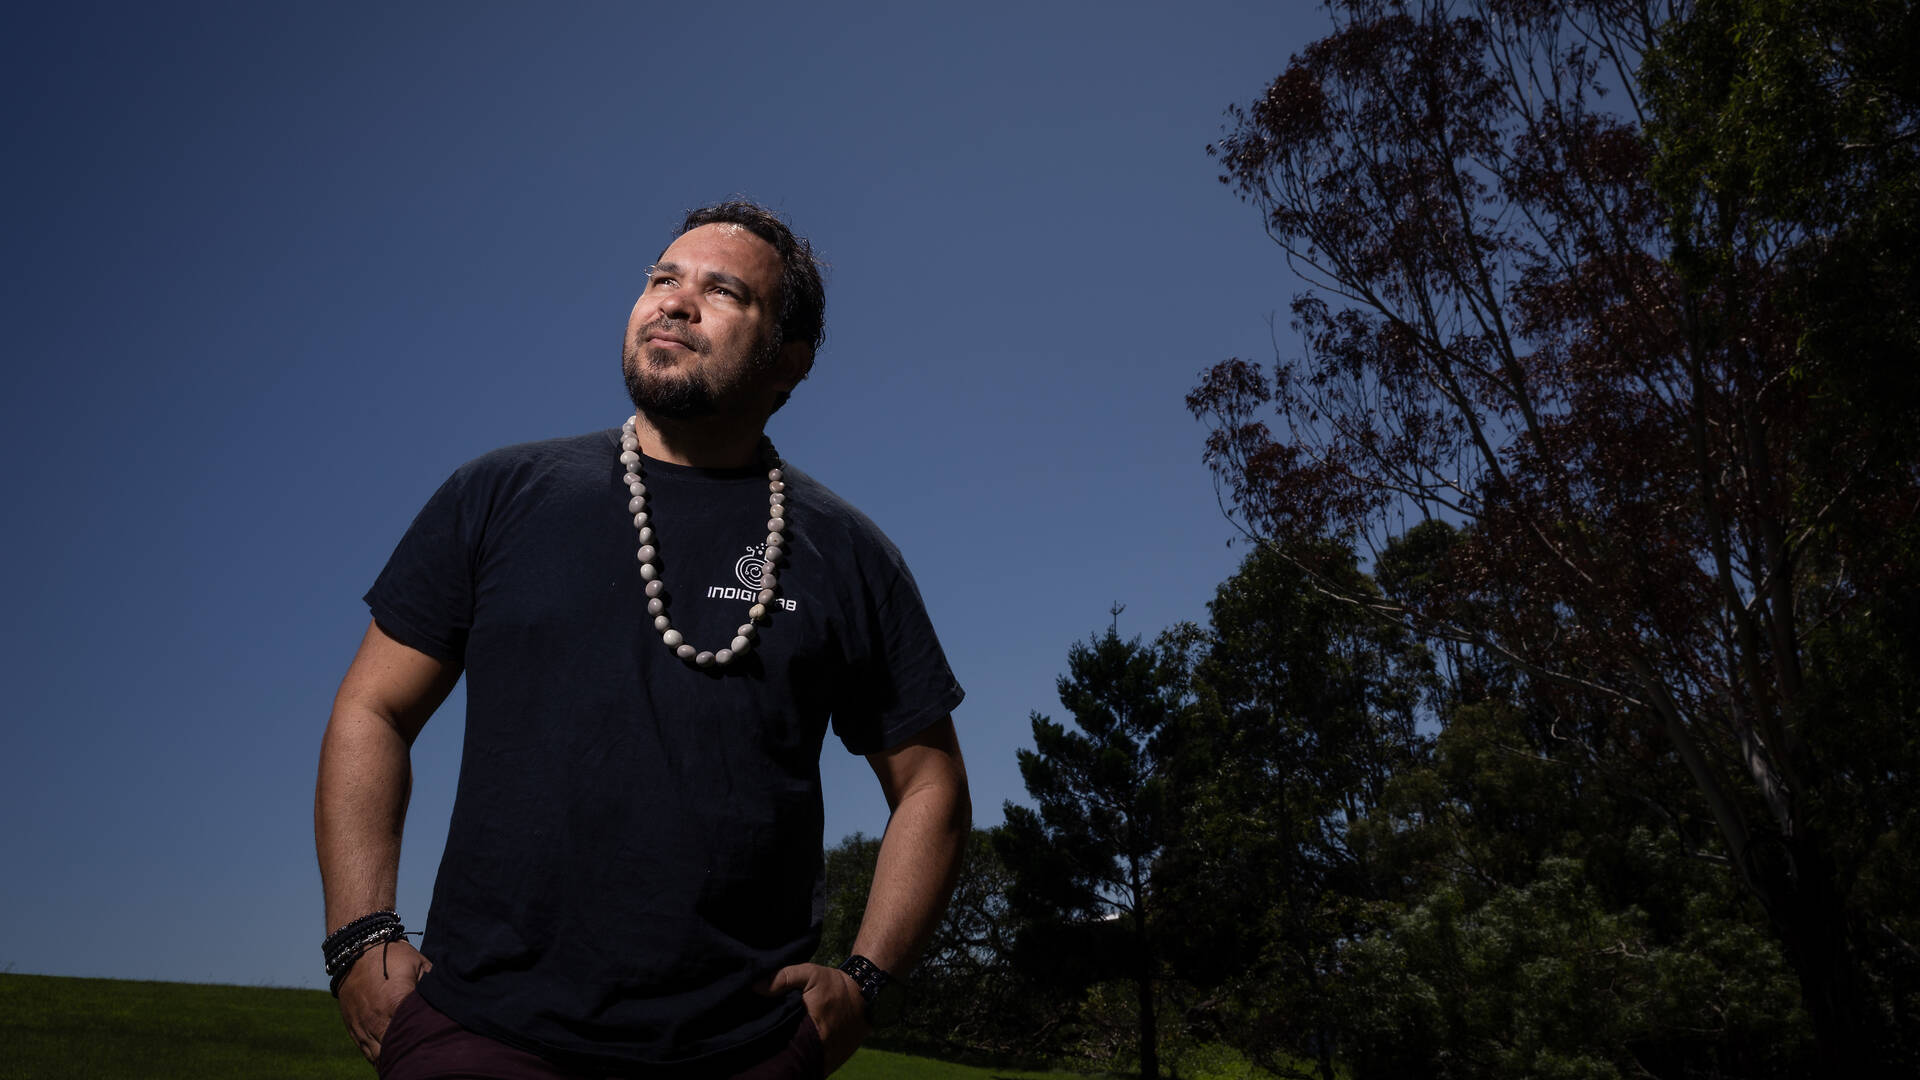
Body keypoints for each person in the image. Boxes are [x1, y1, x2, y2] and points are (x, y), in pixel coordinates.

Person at [314, 200, 970, 1079]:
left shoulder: (848, 556)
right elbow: (373, 706)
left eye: (722, 290)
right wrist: (361, 936)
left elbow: (931, 783)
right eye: (662, 278)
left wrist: (863, 981)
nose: (674, 301)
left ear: (790, 358)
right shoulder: (500, 495)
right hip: (480, 1035)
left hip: (741, 1051)